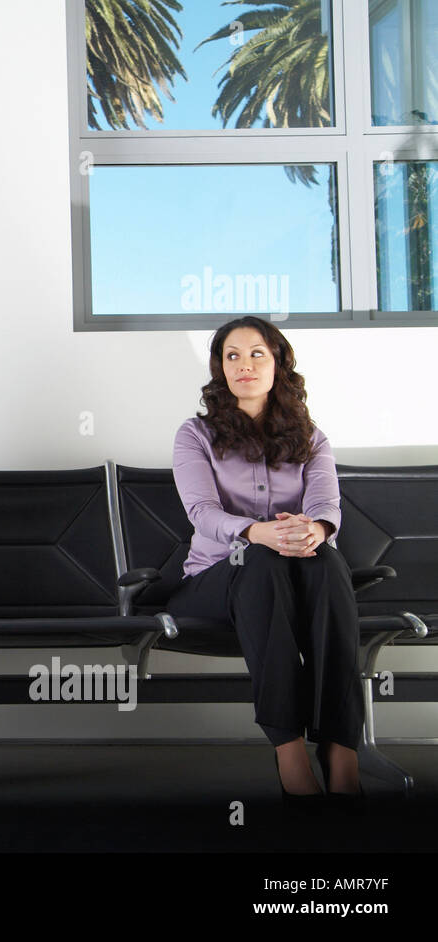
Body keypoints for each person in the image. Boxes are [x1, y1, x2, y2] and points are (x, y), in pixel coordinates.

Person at [166, 316, 363, 804]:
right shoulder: (195, 435)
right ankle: (289, 748)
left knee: (328, 561)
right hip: (216, 582)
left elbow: (326, 507)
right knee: (261, 560)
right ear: (220, 369)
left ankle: (342, 749)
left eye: (257, 354)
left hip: (293, 576)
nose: (245, 365)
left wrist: (313, 531)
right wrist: (258, 532)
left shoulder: (311, 438)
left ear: (278, 364)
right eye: (232, 355)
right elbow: (202, 513)